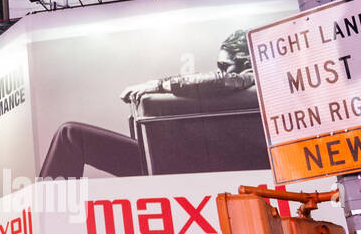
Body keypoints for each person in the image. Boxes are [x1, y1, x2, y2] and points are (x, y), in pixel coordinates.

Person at [39, 30, 256, 178]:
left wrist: (156, 85)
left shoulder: (251, 78)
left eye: (224, 66)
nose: (220, 71)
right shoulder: (248, 86)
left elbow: (222, 80)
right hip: (183, 161)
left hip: (177, 166)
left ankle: (46, 214)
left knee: (70, 135)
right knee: (71, 134)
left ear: (246, 62)